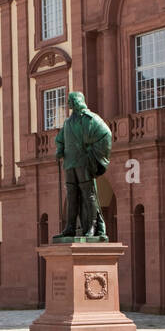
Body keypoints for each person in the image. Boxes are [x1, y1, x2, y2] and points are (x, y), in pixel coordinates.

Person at [54, 91, 112, 239]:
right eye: (70, 101)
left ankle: (91, 227)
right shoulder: (67, 123)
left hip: (83, 163)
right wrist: (60, 150)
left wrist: (92, 154)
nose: (70, 104)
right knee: (72, 196)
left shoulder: (90, 119)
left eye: (72, 101)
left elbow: (106, 135)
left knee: (89, 196)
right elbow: (60, 139)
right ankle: (70, 227)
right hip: (69, 164)